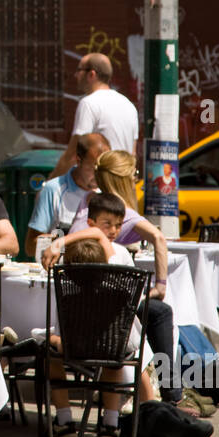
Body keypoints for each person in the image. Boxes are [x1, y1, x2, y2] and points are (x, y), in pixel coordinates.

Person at [45, 163, 178, 399]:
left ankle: (63, 419)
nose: (115, 230)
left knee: (47, 341)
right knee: (152, 321)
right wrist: (159, 287)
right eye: (109, 225)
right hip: (119, 340)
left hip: (78, 334)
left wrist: (59, 242)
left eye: (119, 225)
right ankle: (159, 399)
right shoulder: (119, 253)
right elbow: (156, 238)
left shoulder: (77, 245)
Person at [43, 226, 160, 437]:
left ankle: (65, 420)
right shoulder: (120, 288)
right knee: (112, 359)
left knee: (47, 348)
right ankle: (110, 424)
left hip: (75, 348)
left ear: (68, 271)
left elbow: (62, 332)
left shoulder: (67, 297)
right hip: (115, 348)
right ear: (106, 263)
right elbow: (100, 237)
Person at [52, 53, 139, 177]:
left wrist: (50, 182)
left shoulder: (89, 103)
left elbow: (73, 153)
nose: (75, 75)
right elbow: (133, 153)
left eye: (79, 70)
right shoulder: (129, 105)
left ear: (92, 74)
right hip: (123, 186)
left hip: (99, 186)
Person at [24, 131, 110, 257]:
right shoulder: (53, 190)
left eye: (104, 169)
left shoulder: (108, 190)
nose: (99, 175)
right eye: (93, 168)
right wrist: (64, 238)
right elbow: (30, 247)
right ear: (78, 160)